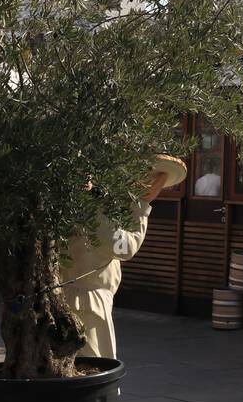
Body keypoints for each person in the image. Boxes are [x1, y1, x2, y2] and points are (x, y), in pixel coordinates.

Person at [64, 154, 184, 360]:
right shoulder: (90, 213)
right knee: (94, 367)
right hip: (85, 302)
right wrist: (143, 205)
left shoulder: (88, 208)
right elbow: (124, 247)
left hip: (83, 298)